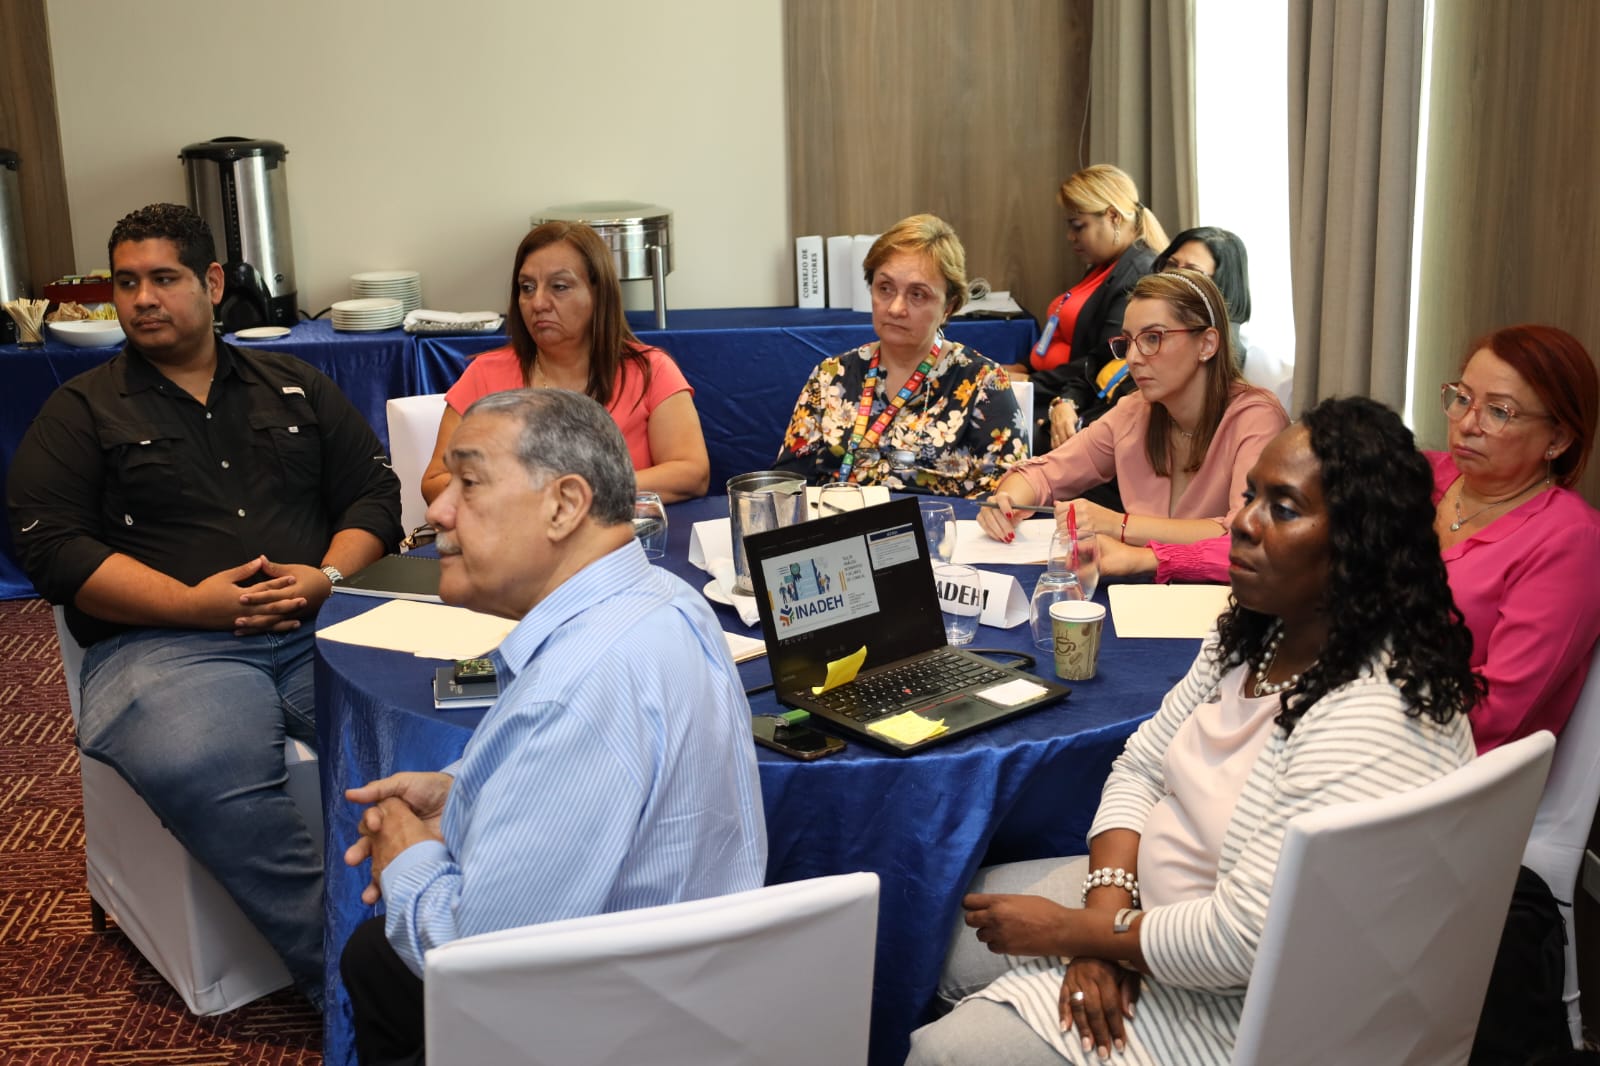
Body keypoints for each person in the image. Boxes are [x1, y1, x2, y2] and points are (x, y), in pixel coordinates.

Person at [907, 397, 1481, 1066]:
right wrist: (1106, 919)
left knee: (945, 1054)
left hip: (1238, 1003)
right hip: (1150, 904)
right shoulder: (1256, 632)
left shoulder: (1369, 714)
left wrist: (1080, 931)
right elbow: (1140, 766)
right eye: (1250, 496)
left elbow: (1243, 940)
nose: (1241, 525)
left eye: (1284, 509)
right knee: (929, 922)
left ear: (1360, 544)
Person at [6, 202, 402, 1006]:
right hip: (162, 648)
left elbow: (374, 498)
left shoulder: (296, 383)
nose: (143, 298)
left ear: (213, 283)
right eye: (126, 282)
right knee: (206, 763)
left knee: (420, 723)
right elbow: (52, 548)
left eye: (164, 278)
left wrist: (325, 576)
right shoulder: (80, 410)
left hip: (313, 627)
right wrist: (193, 605)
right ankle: (356, 986)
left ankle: (447, 936)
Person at [340, 388, 767, 1065]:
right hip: (689, 988)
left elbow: (477, 961)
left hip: (602, 1028)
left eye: (469, 483)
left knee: (387, 949)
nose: (438, 511)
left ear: (565, 505)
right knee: (371, 958)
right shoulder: (665, 597)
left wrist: (403, 848)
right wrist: (462, 790)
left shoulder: (581, 689)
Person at [1106, 324, 1600, 754]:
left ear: (1558, 438)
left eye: (1500, 412)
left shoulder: (1569, 541)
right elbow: (1285, 545)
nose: (1468, 423)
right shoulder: (1421, 474)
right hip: (1331, 706)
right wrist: (1151, 559)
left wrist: (1340, 729)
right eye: (1463, 398)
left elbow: (1497, 714)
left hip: (1433, 766)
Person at [978, 271, 1286, 551]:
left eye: (1153, 338)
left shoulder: (1256, 419)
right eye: (1128, 342)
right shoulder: (1135, 411)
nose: (1133, 358)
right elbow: (1043, 473)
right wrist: (1009, 502)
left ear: (1206, 344)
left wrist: (1117, 525)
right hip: (1141, 594)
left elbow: (1242, 534)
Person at [420, 221, 709, 506]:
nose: (538, 303)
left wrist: (578, 490)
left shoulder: (651, 370)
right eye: (527, 287)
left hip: (622, 542)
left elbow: (691, 473)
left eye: (559, 286)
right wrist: (515, 492)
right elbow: (435, 483)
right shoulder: (485, 374)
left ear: (598, 294)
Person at [773, 213, 1028, 496]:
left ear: (949, 306)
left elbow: (1005, 501)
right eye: (885, 288)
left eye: (917, 294)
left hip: (943, 536)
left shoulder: (983, 383)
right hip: (840, 531)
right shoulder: (830, 376)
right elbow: (787, 486)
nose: (895, 308)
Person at [1010, 164, 1169, 452]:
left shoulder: (1137, 272)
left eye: (1078, 225)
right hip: (1055, 388)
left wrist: (1031, 382)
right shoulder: (1105, 266)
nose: (1070, 236)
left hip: (1076, 399)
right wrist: (1024, 368)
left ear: (1113, 217)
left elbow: (1106, 356)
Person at [1150, 227, 1251, 362]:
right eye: (1171, 264)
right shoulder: (1159, 322)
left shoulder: (1221, 349)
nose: (1173, 276)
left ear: (1221, 284)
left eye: (1191, 271)